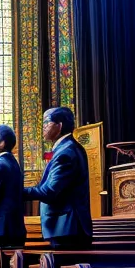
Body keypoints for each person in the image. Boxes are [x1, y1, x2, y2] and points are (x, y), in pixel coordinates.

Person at [23, 107, 93, 249]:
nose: (42, 127)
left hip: (67, 228)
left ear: (59, 125)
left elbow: (50, 192)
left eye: (46, 123)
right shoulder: (68, 148)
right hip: (66, 228)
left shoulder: (65, 152)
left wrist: (15, 190)